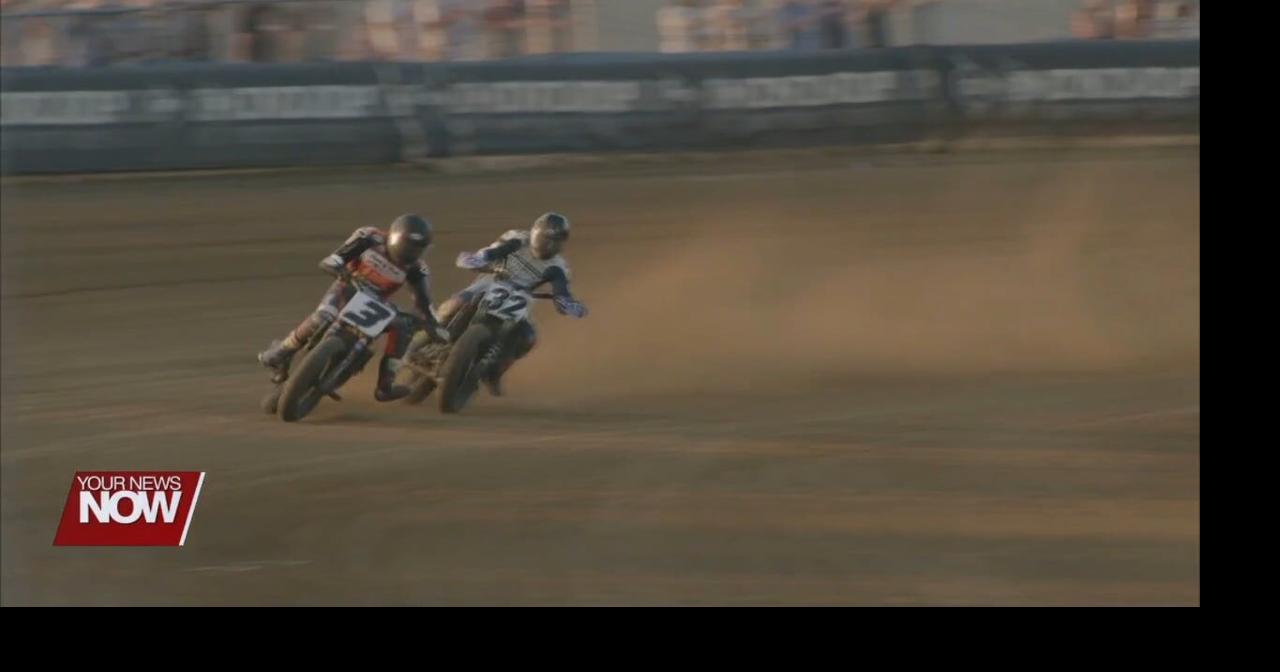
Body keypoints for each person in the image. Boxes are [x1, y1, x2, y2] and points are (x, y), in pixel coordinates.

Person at [258, 214, 450, 402]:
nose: (409, 253)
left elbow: (424, 304)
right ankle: (281, 352)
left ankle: (385, 386)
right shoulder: (369, 237)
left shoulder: (418, 269)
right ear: (393, 237)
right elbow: (335, 258)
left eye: (416, 249)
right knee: (322, 316)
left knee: (403, 328)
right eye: (407, 246)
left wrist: (432, 324)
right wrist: (335, 267)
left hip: (377, 304)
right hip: (348, 286)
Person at [435, 212, 587, 396]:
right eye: (545, 239)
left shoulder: (558, 266)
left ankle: (495, 372)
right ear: (535, 232)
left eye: (554, 242)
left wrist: (567, 303)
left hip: (521, 297)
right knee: (456, 303)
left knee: (528, 337)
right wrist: (478, 259)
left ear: (561, 243)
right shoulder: (518, 239)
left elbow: (561, 290)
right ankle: (430, 331)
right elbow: (494, 251)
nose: (548, 245)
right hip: (492, 280)